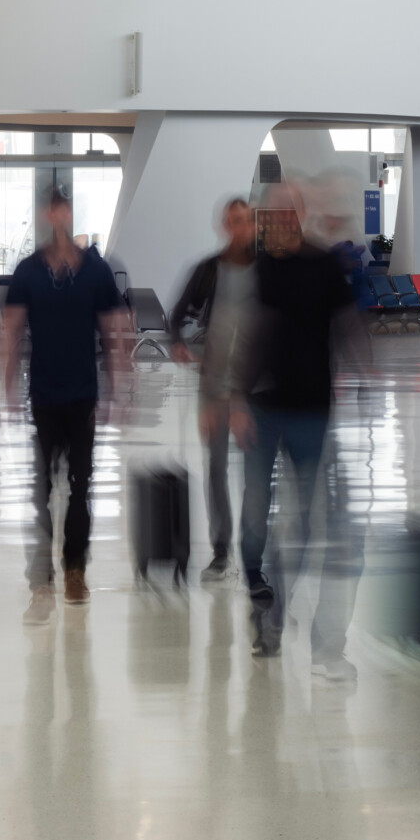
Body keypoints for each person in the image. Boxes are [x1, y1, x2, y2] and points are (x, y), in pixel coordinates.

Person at [232, 184, 361, 673]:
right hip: (263, 409)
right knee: (256, 512)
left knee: (305, 520)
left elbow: (346, 324)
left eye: (288, 212)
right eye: (273, 213)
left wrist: (364, 371)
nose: (281, 220)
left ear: (299, 215)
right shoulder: (257, 269)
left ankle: (276, 616)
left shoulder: (324, 265)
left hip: (310, 409)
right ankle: (259, 595)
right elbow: (244, 336)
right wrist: (236, 399)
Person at [4, 188, 128, 617]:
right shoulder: (28, 271)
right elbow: (12, 330)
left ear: (69, 213)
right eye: (51, 209)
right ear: (45, 214)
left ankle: (75, 570)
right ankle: (41, 579)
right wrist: (5, 386)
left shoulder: (95, 270)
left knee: (80, 486)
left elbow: (113, 333)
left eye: (63, 209)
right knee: (41, 490)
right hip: (44, 396)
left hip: (82, 397)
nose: (57, 215)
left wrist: (118, 389)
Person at [170, 195, 257, 583]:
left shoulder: (266, 271)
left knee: (256, 472)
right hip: (214, 387)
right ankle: (221, 551)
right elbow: (178, 314)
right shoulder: (208, 270)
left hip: (255, 388)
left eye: (246, 220)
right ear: (224, 226)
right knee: (216, 468)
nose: (240, 227)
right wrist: (179, 344)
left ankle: (254, 550)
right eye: (234, 221)